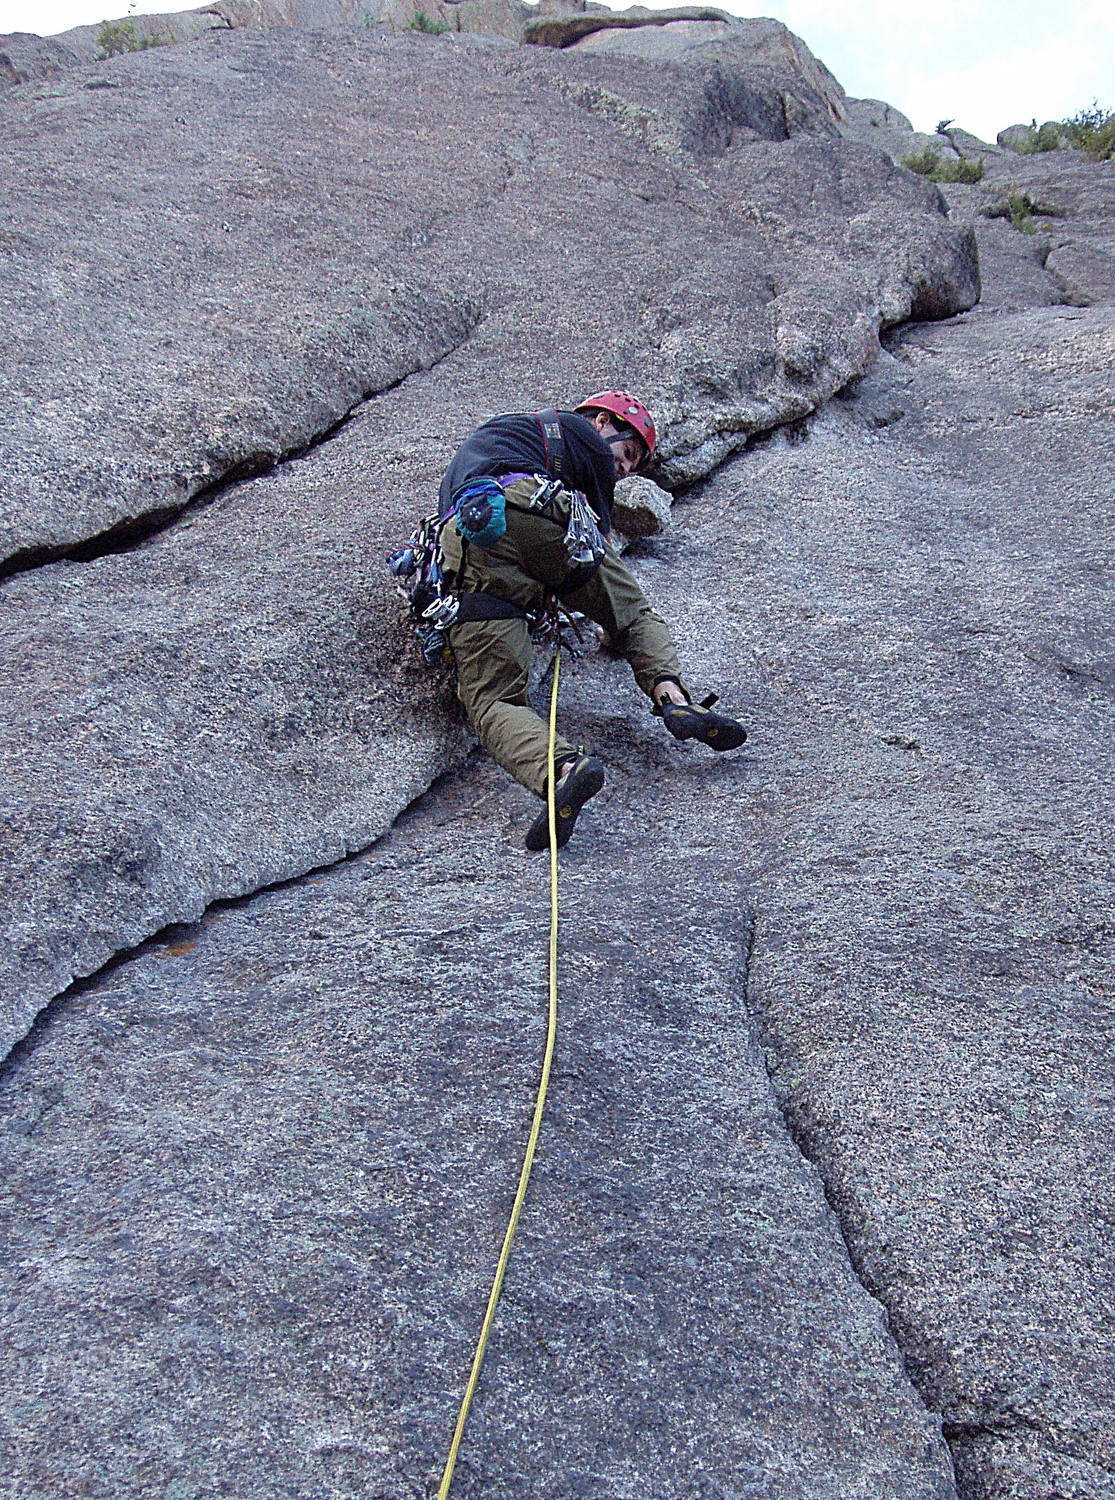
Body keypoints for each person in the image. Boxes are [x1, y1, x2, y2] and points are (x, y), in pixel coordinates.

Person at [436, 390, 747, 850]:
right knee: (634, 614)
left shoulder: (500, 438)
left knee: (493, 702)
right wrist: (604, 614)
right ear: (603, 421)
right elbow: (593, 540)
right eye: (627, 454)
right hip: (537, 511)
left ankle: (563, 771)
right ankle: (675, 699)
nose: (622, 469)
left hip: (471, 546)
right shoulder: (578, 432)